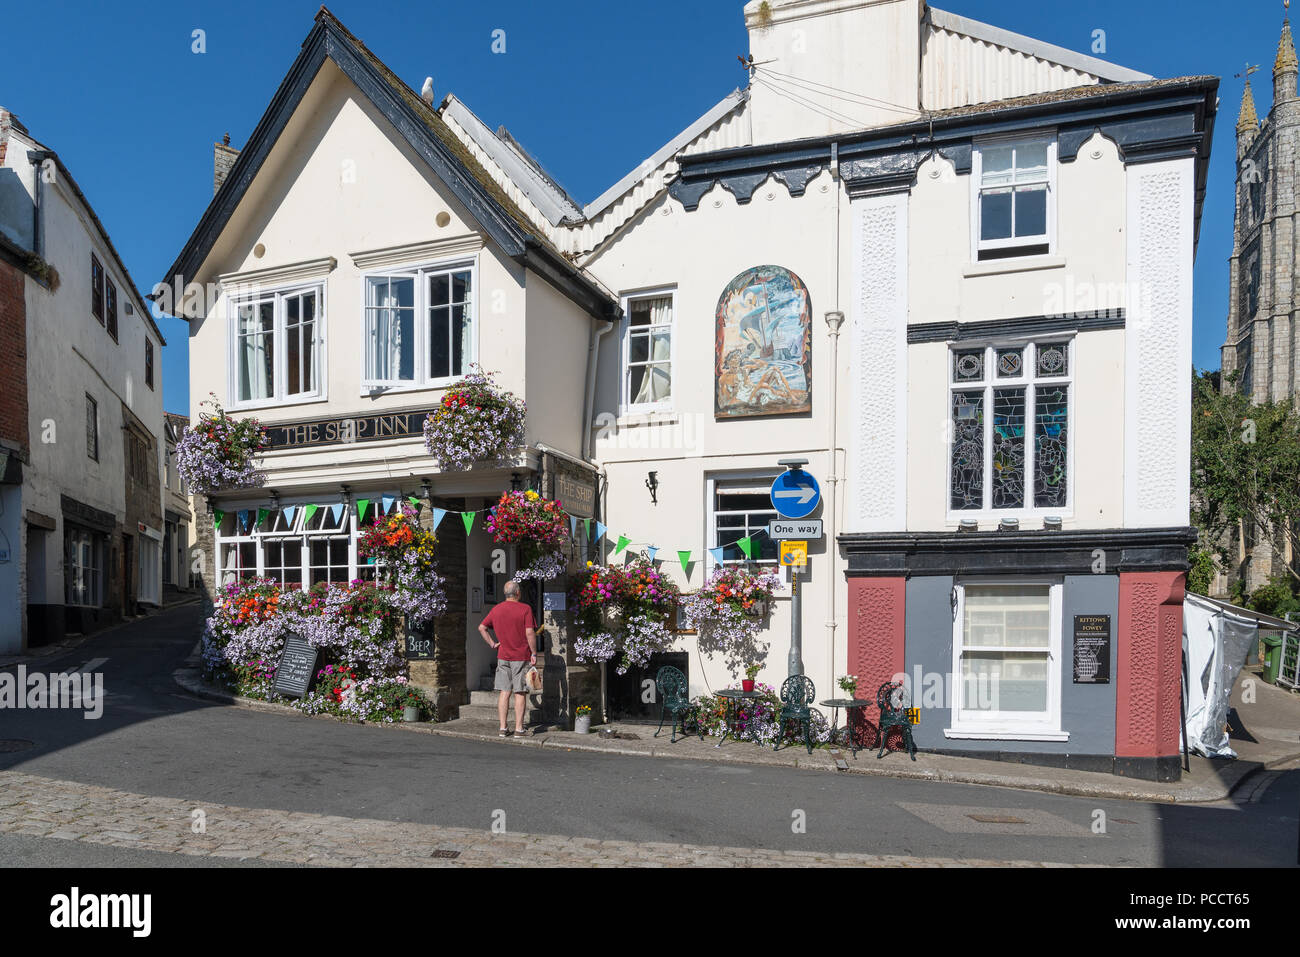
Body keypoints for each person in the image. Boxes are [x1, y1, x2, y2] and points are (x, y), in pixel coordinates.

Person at [478, 580, 537, 736]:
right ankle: (518, 729)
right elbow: (530, 632)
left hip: (503, 656)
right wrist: (534, 653)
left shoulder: (496, 609)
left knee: (504, 692)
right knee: (520, 692)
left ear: (506, 593)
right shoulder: (525, 609)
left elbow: (482, 627)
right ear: (518, 593)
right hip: (520, 656)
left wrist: (492, 644)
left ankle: (503, 728)